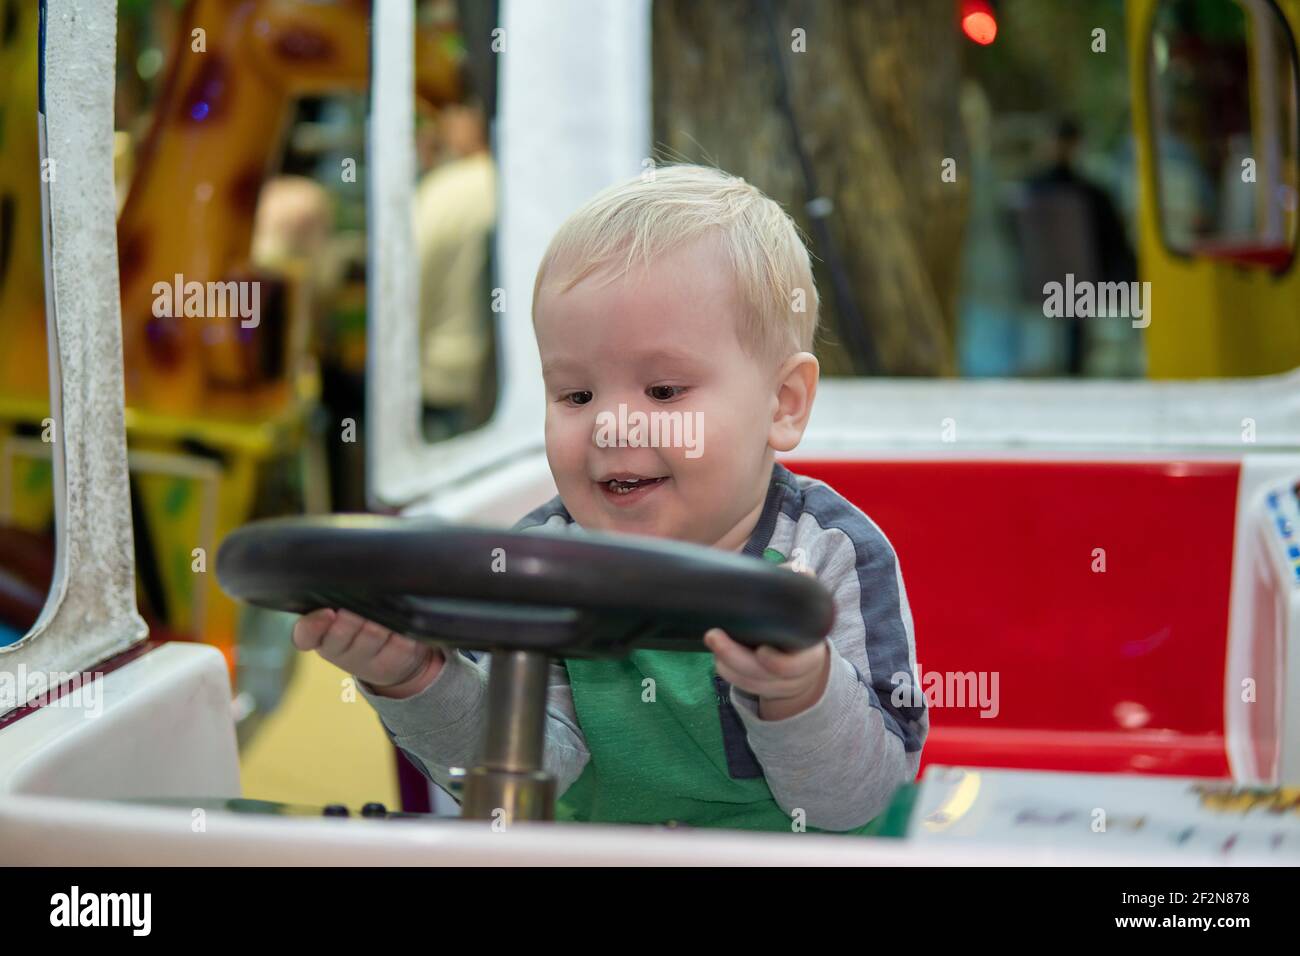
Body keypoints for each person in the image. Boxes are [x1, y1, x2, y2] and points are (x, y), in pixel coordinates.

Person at [292, 165, 927, 833]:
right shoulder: (539, 566)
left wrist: (800, 691)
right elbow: (526, 775)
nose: (610, 424)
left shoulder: (826, 555)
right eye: (575, 395)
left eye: (663, 391)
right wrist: (414, 678)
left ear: (783, 404)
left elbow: (865, 800)